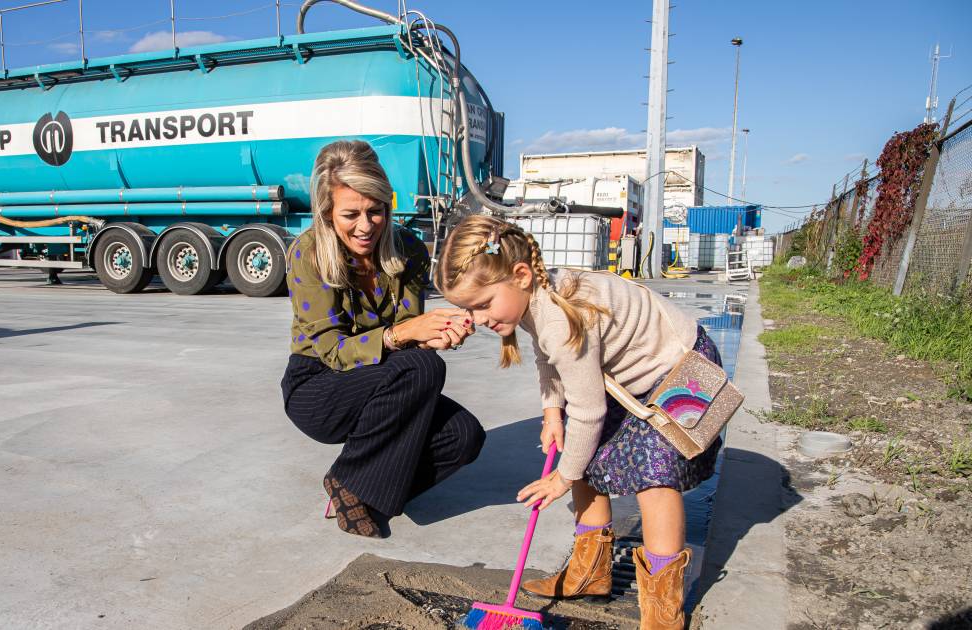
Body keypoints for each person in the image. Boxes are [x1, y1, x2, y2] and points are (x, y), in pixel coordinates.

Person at [436, 215, 723, 630]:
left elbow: (589, 411)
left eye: (483, 304)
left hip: (680, 369)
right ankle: (590, 573)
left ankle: (663, 610)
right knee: (586, 456)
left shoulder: (559, 317)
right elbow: (547, 358)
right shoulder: (535, 297)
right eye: (469, 308)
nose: (478, 318)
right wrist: (552, 412)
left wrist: (563, 477)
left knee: (655, 480)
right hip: (632, 378)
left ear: (520, 275)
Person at [280, 140, 485, 539]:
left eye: (375, 211)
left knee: (464, 437)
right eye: (350, 214)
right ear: (327, 212)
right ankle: (348, 480)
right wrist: (406, 334)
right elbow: (334, 351)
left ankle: (366, 489)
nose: (365, 226)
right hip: (318, 384)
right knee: (422, 367)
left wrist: (439, 333)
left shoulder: (407, 249)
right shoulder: (308, 253)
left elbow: (411, 339)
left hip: (385, 377)